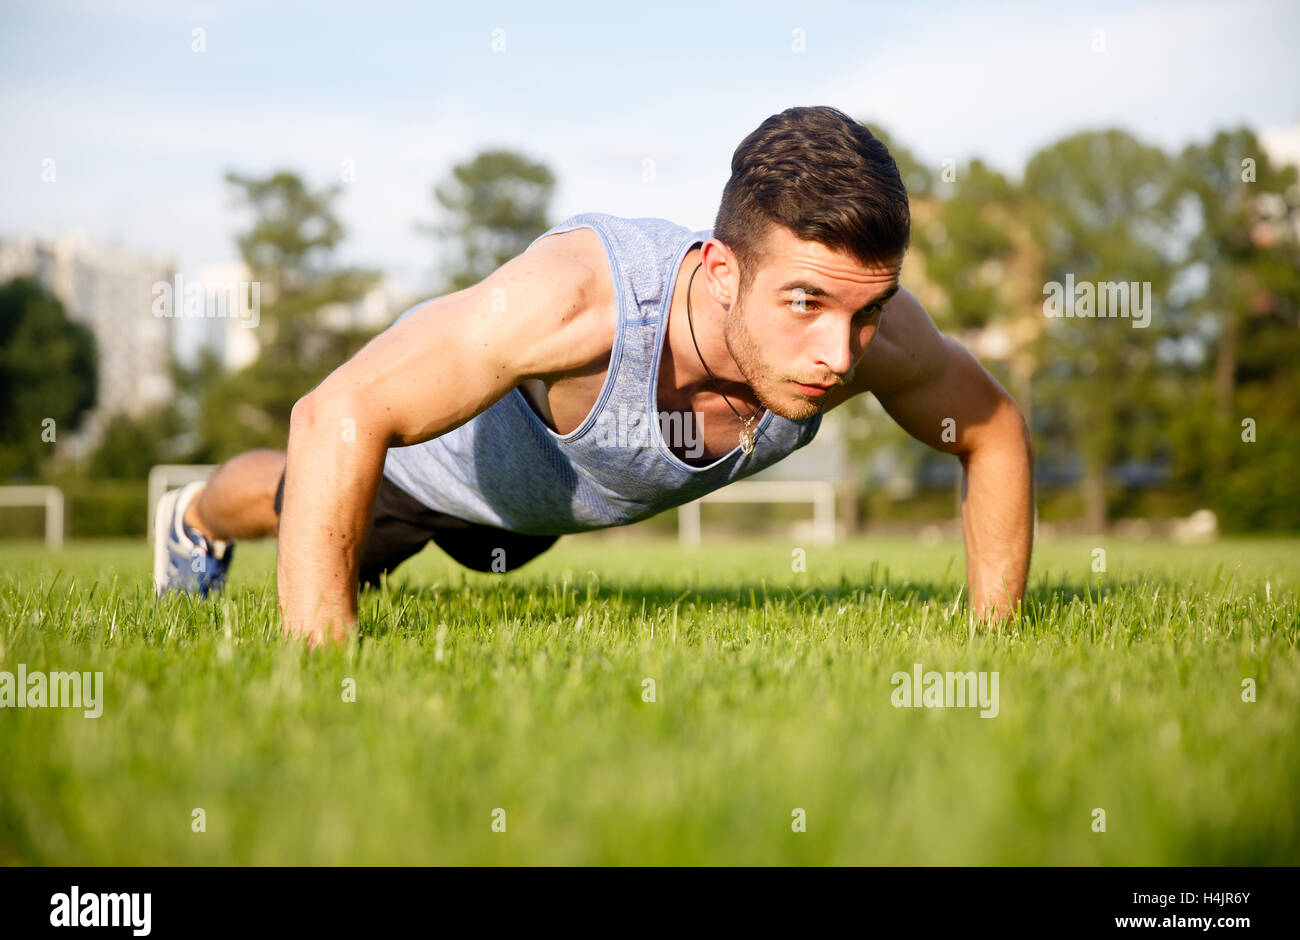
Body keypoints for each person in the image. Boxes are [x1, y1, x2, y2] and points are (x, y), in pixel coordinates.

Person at [153, 105, 1035, 647]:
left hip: (554, 509)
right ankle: (191, 520)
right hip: (431, 480)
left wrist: (994, 637)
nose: (841, 355)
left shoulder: (865, 328)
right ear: (722, 271)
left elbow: (992, 430)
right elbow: (334, 414)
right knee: (284, 490)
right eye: (804, 303)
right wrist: (322, 678)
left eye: (866, 312)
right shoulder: (578, 296)